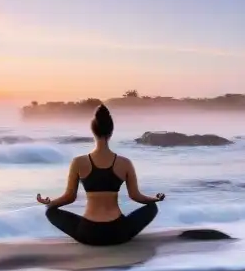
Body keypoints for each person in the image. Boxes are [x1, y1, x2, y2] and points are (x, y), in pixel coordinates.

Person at [37, 103, 165, 247]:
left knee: (50, 212)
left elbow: (69, 198)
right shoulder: (125, 163)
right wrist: (154, 199)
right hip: (118, 233)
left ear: (93, 131)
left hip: (88, 233)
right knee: (152, 207)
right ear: (111, 132)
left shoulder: (78, 162)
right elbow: (136, 196)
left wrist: (49, 203)